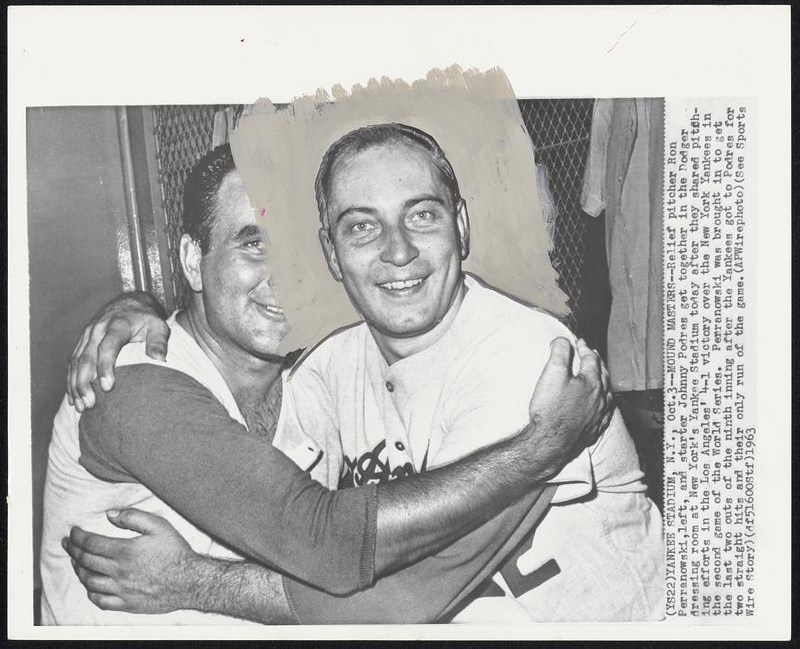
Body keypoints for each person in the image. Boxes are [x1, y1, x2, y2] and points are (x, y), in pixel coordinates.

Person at [44, 142, 612, 625]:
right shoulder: (129, 383)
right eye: (252, 243)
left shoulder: (316, 374)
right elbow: (324, 542)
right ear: (193, 261)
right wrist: (537, 450)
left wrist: (194, 580)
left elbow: (399, 588)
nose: (283, 275)